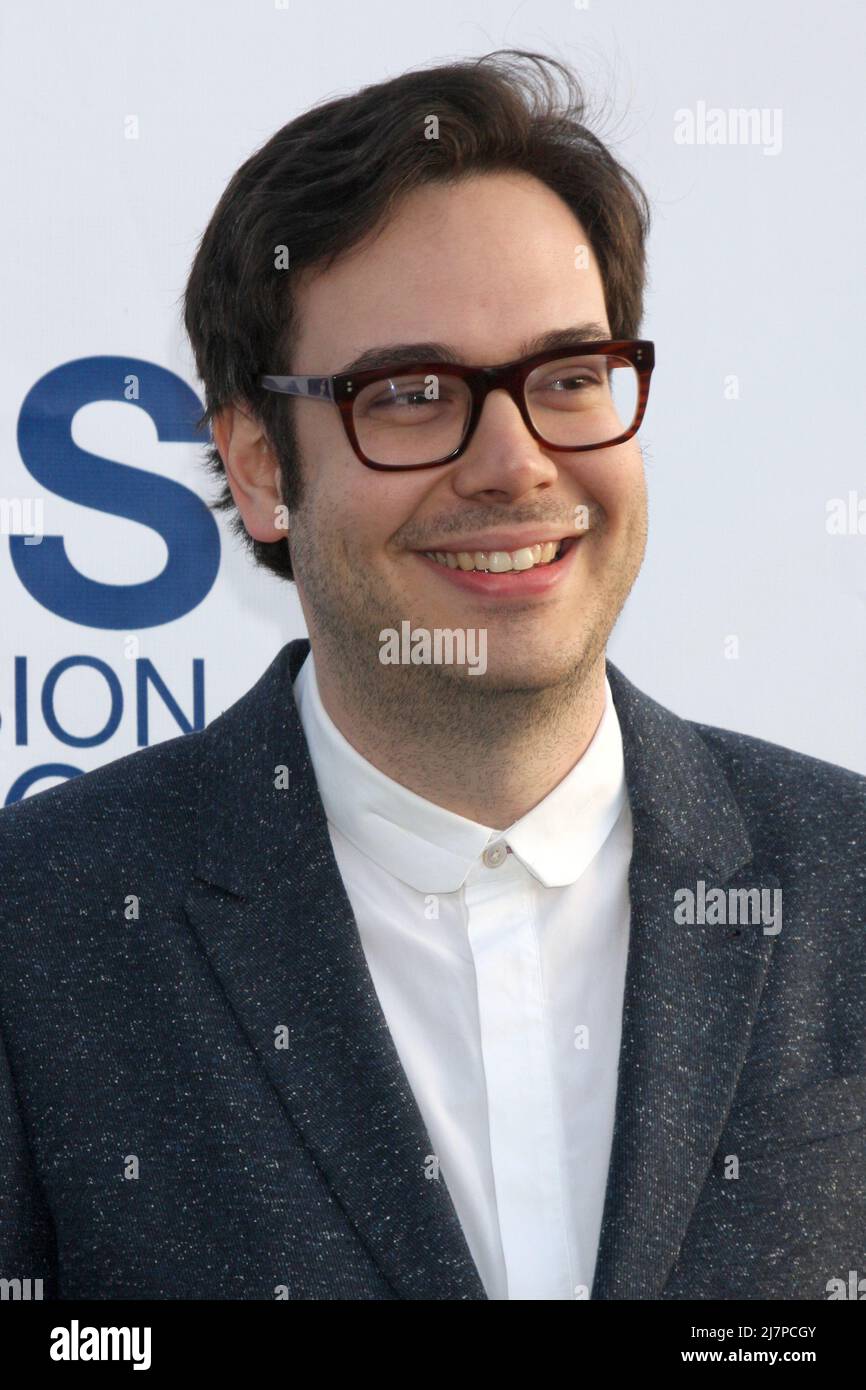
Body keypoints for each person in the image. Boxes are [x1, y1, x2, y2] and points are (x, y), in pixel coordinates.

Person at [1, 50, 863, 1302]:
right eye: (410, 395)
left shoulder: (844, 876)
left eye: (568, 378)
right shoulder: (43, 931)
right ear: (256, 464)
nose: (514, 464)